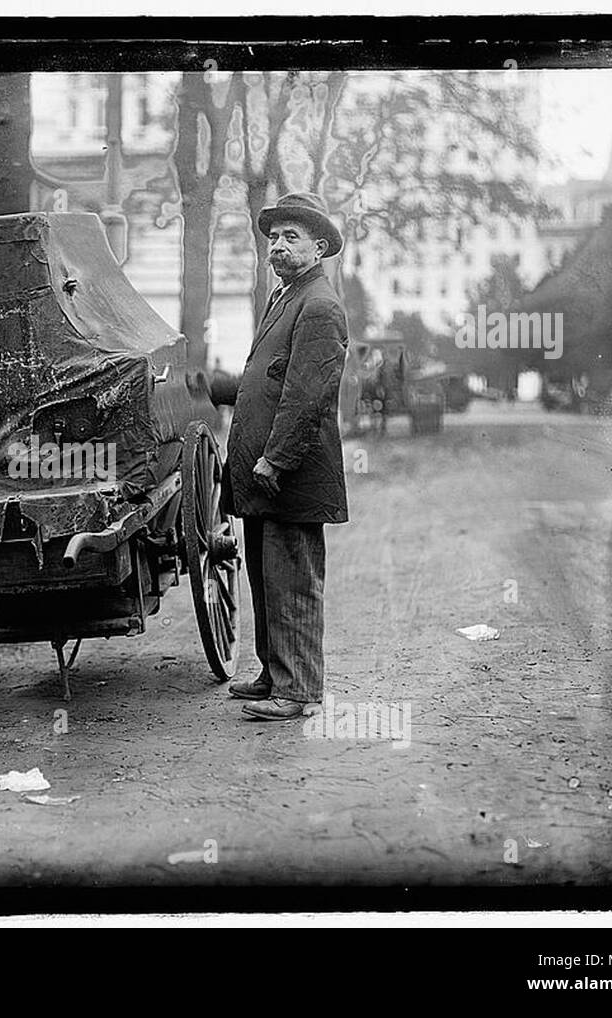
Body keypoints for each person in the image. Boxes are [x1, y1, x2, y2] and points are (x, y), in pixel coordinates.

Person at [197, 192, 350, 720]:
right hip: (263, 475)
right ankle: (272, 673)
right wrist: (214, 385)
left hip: (290, 473)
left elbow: (308, 396)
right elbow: (268, 382)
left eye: (291, 238)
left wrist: (275, 461)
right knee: (266, 579)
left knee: (294, 581)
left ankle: (301, 690)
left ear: (320, 246)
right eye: (273, 238)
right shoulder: (285, 298)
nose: (277, 247)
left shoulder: (321, 306)